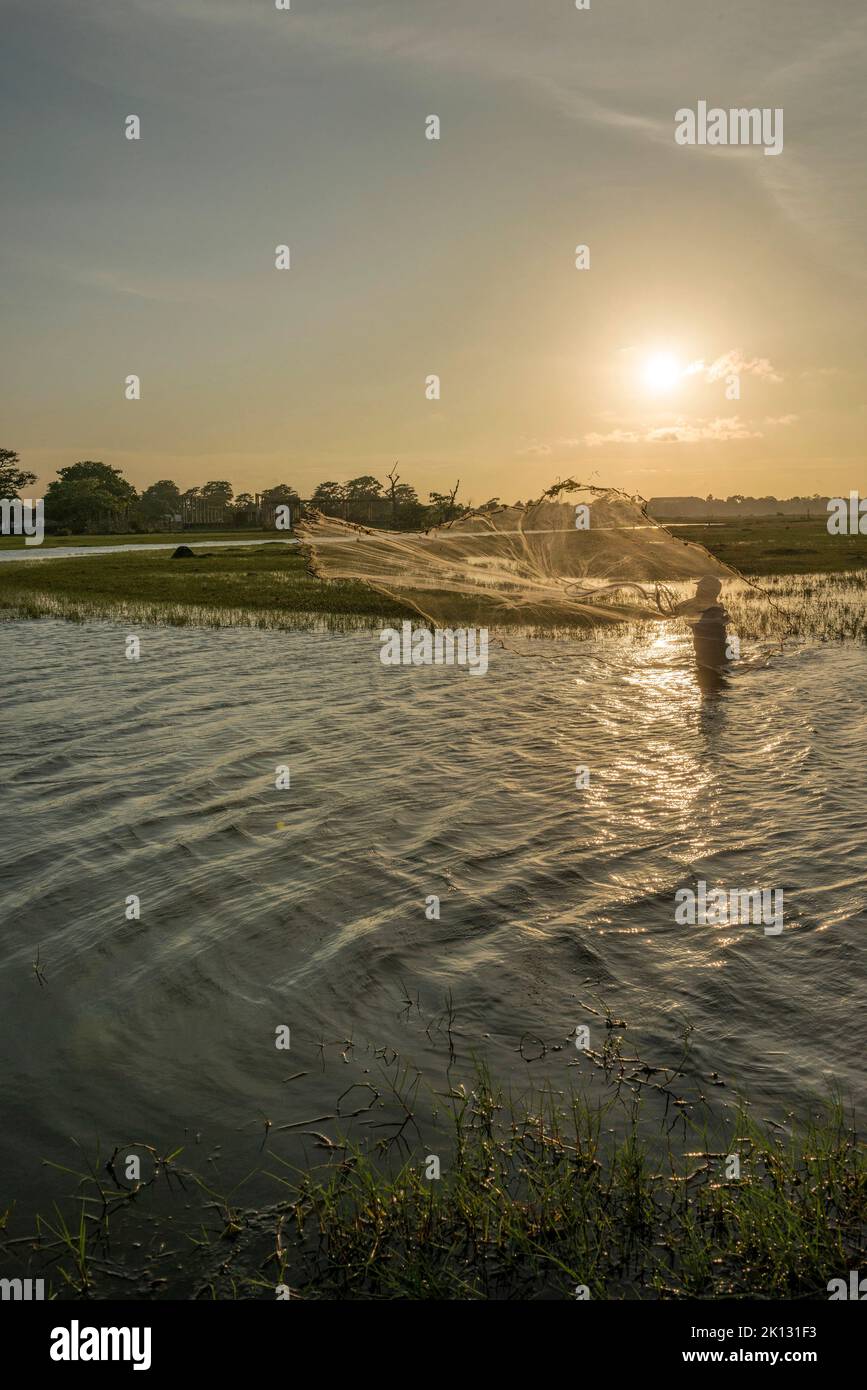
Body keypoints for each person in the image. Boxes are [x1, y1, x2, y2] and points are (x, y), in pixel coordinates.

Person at [674, 576, 730, 695]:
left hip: (711, 654)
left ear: (706, 591)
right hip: (712, 654)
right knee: (712, 685)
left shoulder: (714, 609)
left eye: (700, 588)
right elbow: (677, 610)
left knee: (709, 684)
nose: (697, 590)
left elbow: (708, 620)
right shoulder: (705, 605)